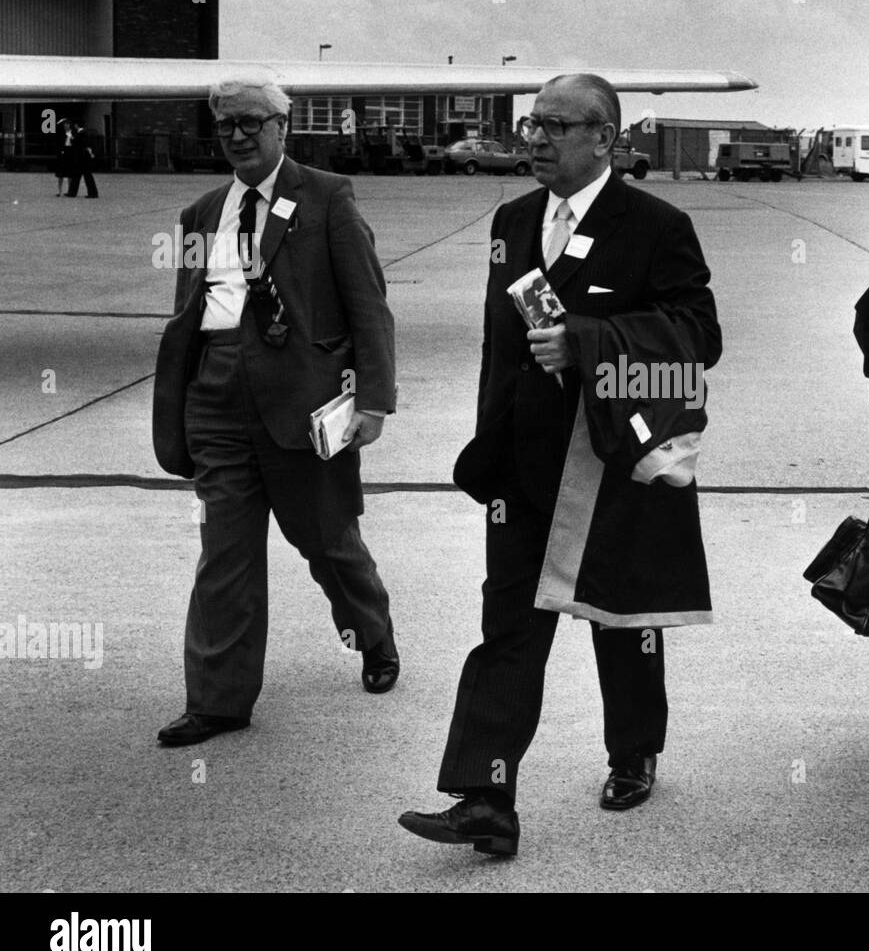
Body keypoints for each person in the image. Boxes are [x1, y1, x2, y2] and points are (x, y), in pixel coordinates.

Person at [399, 73, 721, 857]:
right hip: (521, 466)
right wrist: (487, 447)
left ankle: (634, 750)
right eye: (530, 124)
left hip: (612, 461)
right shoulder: (511, 220)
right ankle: (486, 796)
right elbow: (498, 349)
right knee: (507, 627)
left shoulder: (655, 224)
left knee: (621, 617)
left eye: (554, 125)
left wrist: (586, 339)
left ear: (603, 137)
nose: (534, 138)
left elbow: (697, 337)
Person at [151, 77, 399, 747]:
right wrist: (182, 400)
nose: (237, 134)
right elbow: (188, 314)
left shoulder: (327, 197)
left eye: (251, 121)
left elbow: (368, 307)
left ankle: (372, 635)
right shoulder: (201, 214)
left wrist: (372, 400)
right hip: (217, 400)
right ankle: (218, 700)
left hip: (301, 398)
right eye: (226, 123)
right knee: (223, 554)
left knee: (325, 538)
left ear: (282, 126)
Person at [65, 120, 98, 198]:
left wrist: (70, 136)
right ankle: (90, 193)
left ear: (77, 125)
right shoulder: (83, 132)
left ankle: (74, 192)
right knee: (82, 176)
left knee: (81, 176)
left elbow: (76, 142)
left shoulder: (81, 133)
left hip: (82, 158)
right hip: (83, 157)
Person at [53, 119, 73, 197]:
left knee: (70, 173)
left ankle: (69, 190)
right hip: (62, 152)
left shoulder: (72, 133)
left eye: (67, 124)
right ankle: (59, 190)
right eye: (64, 124)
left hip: (70, 152)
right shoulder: (61, 134)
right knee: (60, 174)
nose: (66, 125)